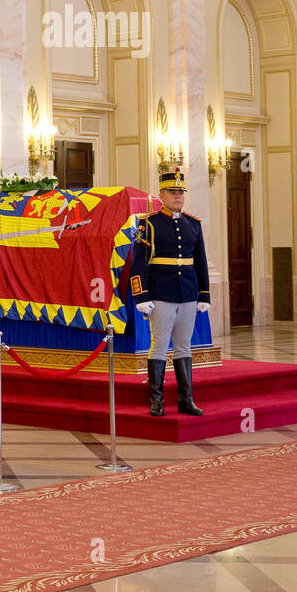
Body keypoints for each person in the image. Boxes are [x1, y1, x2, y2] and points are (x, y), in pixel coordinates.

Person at [130, 168, 210, 417]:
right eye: (172, 192)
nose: (178, 196)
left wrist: (204, 294)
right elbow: (138, 263)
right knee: (160, 346)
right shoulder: (149, 223)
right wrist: (141, 296)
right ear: (161, 195)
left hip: (187, 293)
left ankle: (186, 399)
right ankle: (156, 400)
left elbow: (201, 262)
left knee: (184, 347)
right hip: (160, 292)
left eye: (180, 192)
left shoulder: (192, 224)